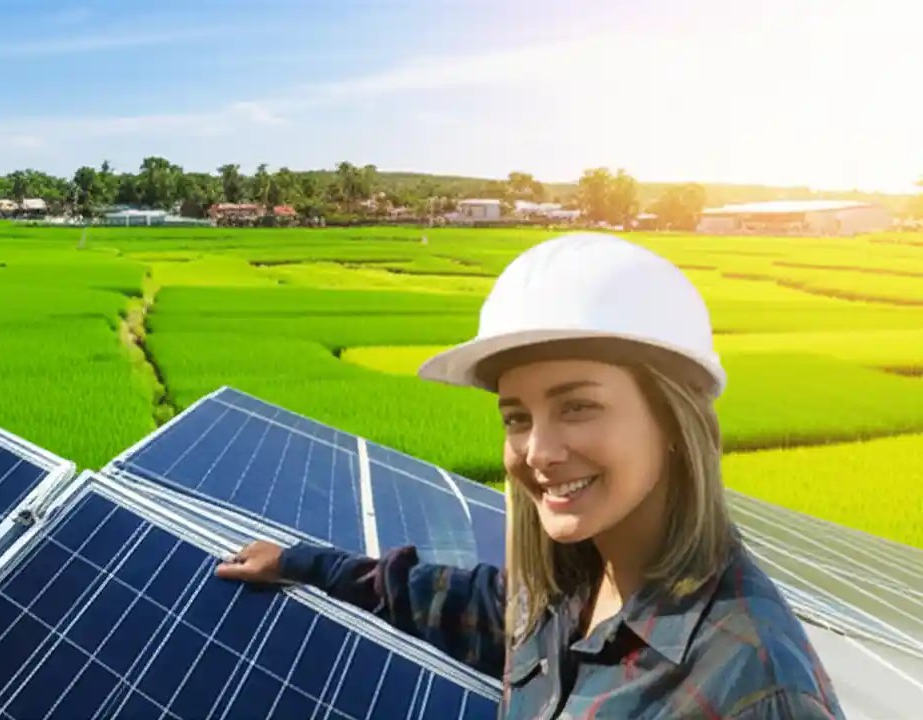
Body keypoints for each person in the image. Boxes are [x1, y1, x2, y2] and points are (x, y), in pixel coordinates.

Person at [215, 233, 844, 719]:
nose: (537, 451)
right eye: (517, 418)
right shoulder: (565, 589)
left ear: (675, 425)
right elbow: (455, 601)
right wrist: (302, 563)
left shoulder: (756, 684)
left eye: (578, 406)